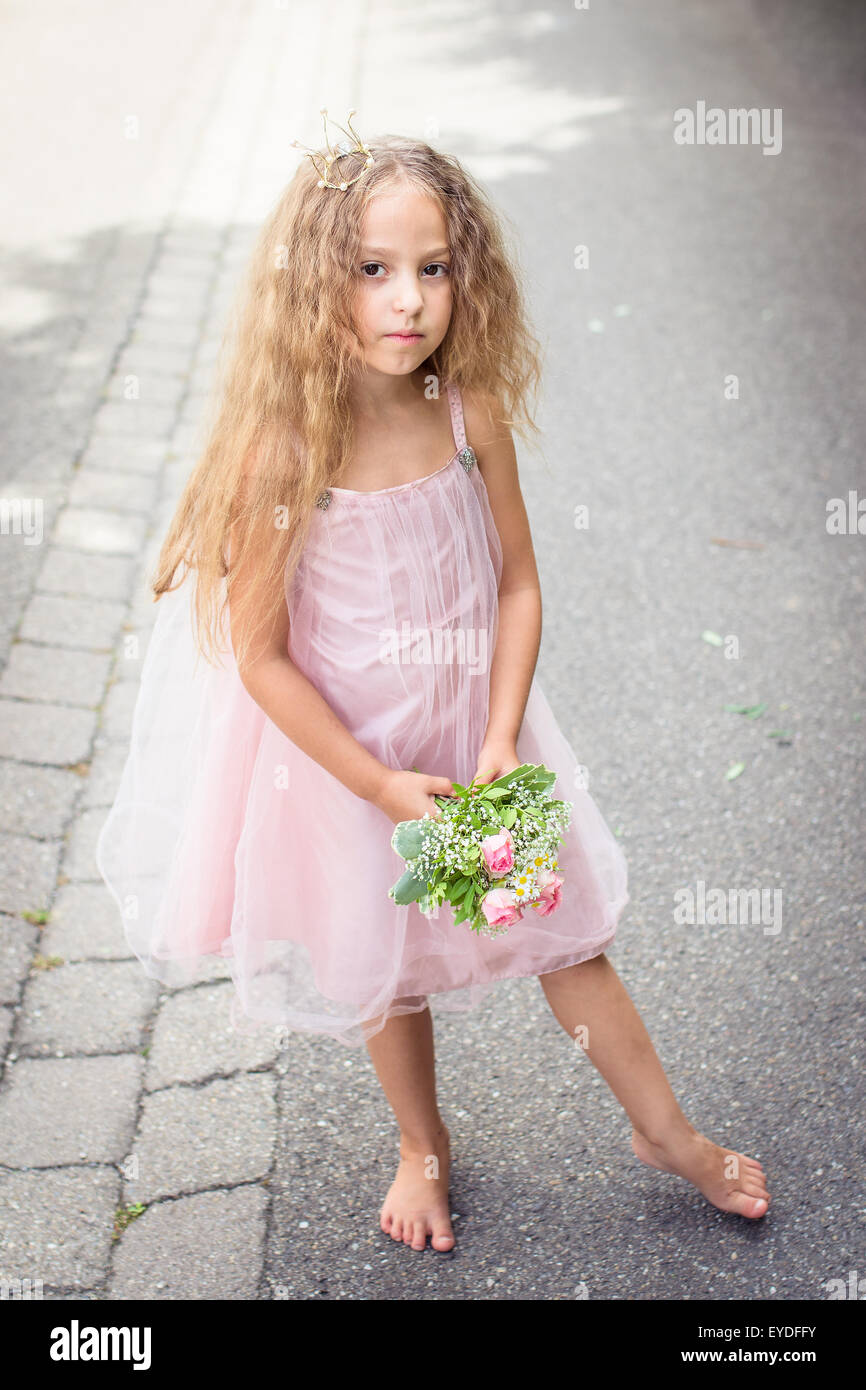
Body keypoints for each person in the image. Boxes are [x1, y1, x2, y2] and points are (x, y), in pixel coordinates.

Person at [95, 117, 771, 1255]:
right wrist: (373, 782)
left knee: (566, 934)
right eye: (370, 270)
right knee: (384, 959)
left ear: (465, 275)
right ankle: (420, 1142)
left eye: (431, 267)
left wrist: (502, 733)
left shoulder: (468, 413)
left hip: (477, 733)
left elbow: (515, 582)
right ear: (317, 282)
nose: (404, 298)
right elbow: (258, 657)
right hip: (350, 756)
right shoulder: (286, 451)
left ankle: (666, 1133)